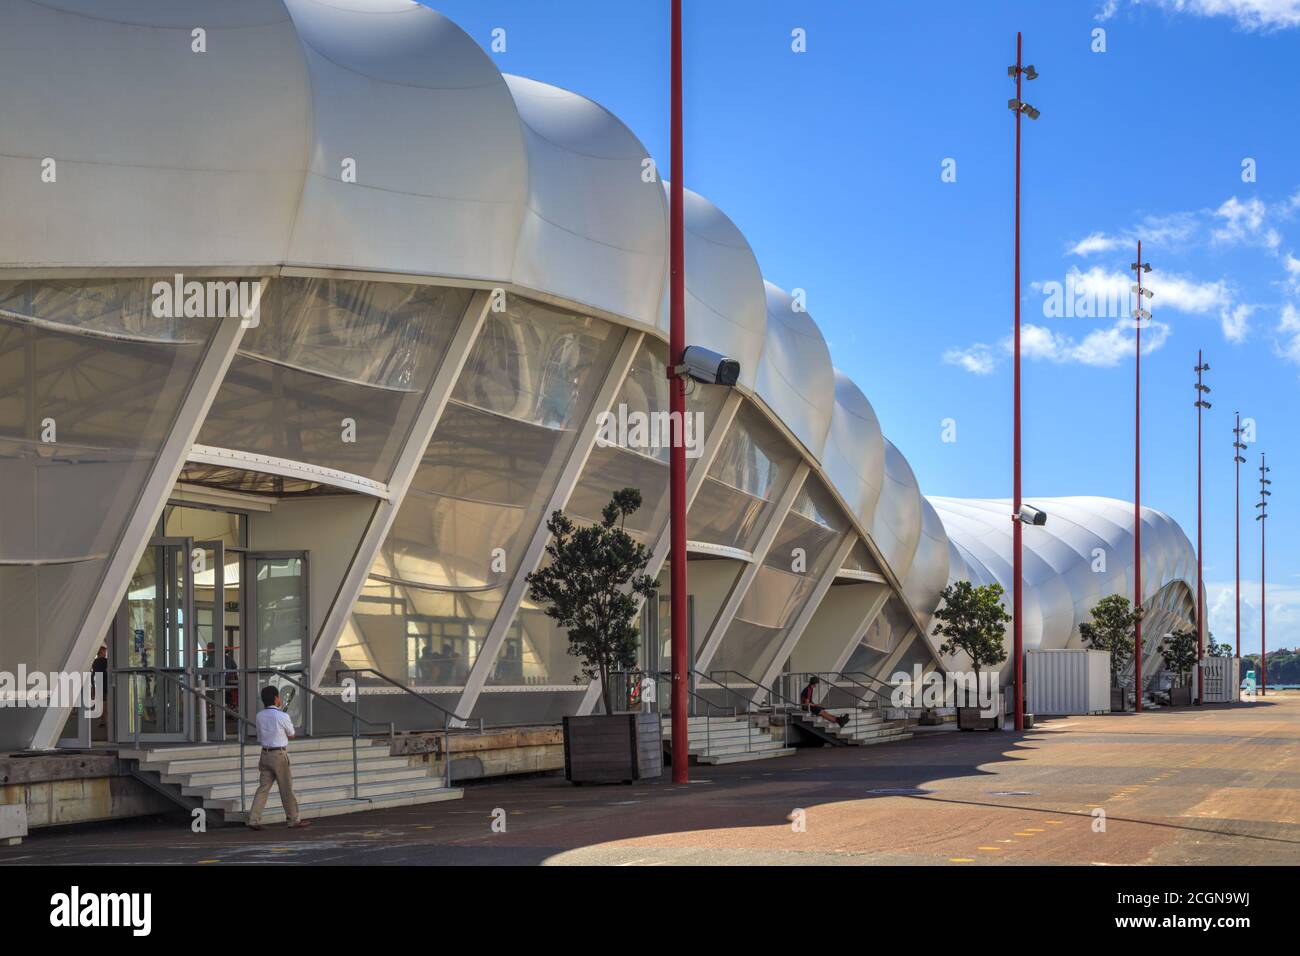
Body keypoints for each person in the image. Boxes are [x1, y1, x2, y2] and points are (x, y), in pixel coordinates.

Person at [247, 685, 310, 831]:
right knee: (286, 789)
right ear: (276, 698)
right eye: (278, 697)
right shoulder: (283, 716)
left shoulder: (259, 716)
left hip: (265, 754)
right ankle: (293, 819)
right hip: (279, 755)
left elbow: (260, 736)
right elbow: (292, 734)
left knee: (263, 788)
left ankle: (253, 819)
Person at [91, 646, 109, 727]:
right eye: (105, 651)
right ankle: (104, 719)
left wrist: (93, 687)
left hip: (98, 683)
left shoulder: (95, 662)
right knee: (104, 702)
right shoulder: (105, 661)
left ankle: (103, 719)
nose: (105, 653)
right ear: (102, 652)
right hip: (105, 683)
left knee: (101, 702)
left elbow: (93, 674)